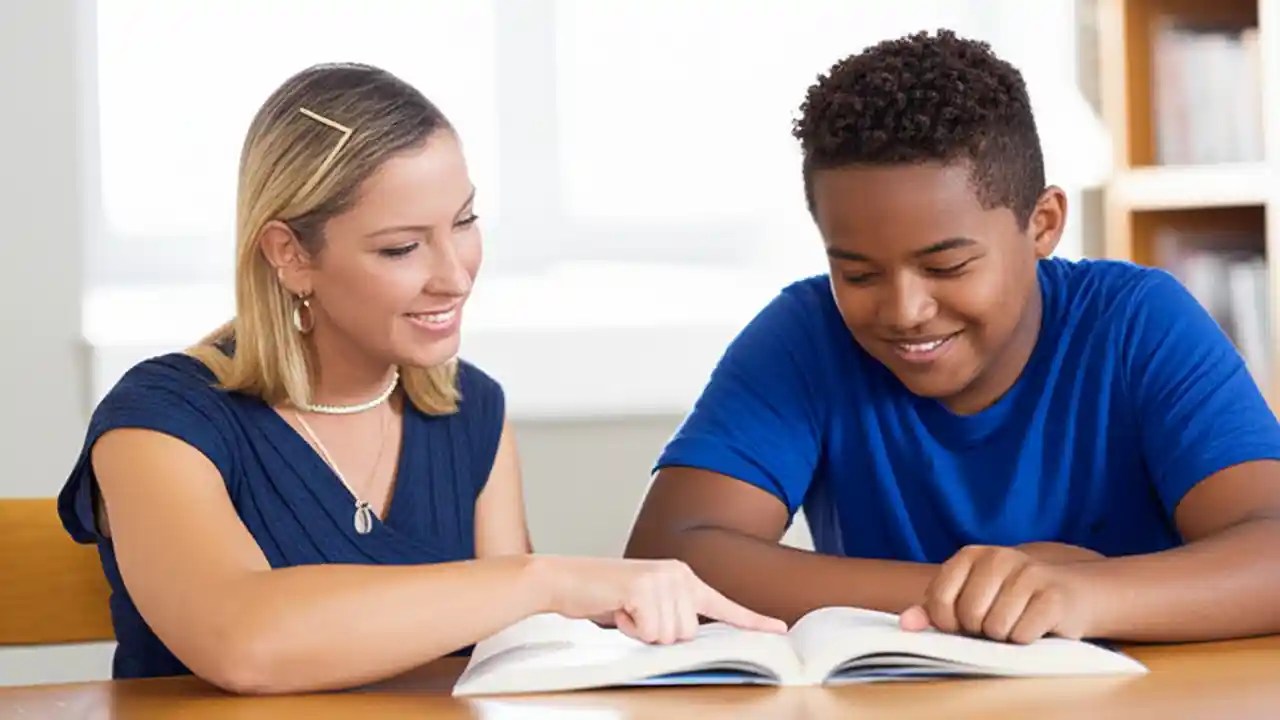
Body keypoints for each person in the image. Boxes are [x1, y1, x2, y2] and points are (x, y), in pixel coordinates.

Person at [58, 62, 784, 695]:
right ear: (289, 254)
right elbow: (244, 642)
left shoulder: (470, 411)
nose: (456, 274)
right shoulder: (158, 422)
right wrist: (546, 581)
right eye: (402, 247)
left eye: (464, 222)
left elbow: (512, 660)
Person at [625, 29, 1280, 645]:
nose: (905, 310)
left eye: (946, 267)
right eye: (857, 272)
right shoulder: (805, 333)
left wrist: (1085, 595)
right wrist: (977, 592)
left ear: (1043, 224)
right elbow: (669, 554)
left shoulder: (1138, 322)